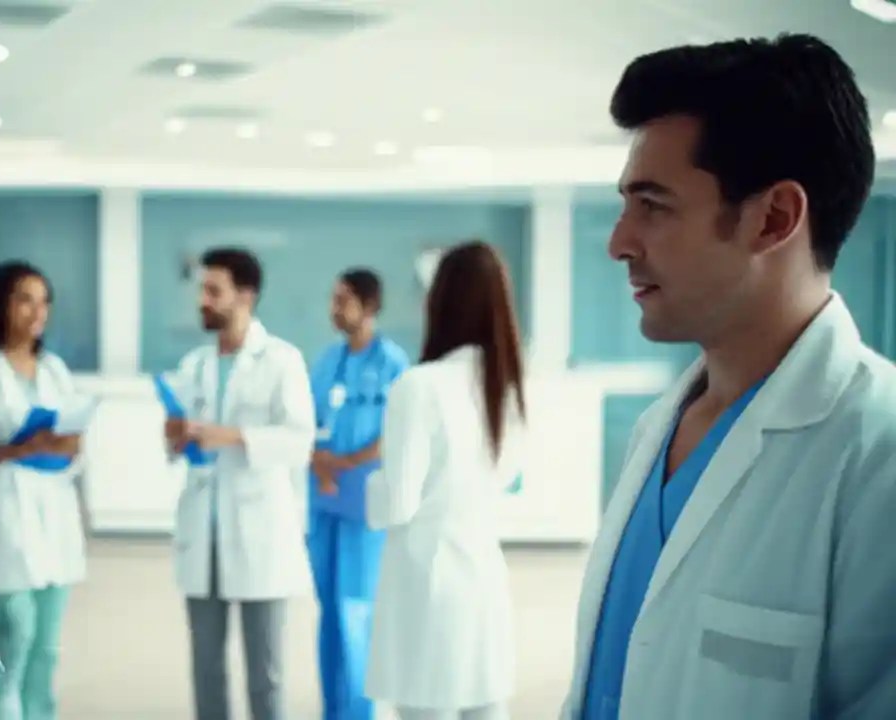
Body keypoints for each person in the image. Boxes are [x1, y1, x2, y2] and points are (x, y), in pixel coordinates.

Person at [562, 34, 896, 719]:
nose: (619, 241)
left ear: (773, 218)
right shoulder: (662, 428)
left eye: (653, 205)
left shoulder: (878, 460)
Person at [365, 241, 526, 720]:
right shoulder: (509, 387)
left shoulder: (420, 386)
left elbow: (398, 504)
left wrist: (376, 480)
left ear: (443, 302)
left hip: (427, 583)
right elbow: (505, 477)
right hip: (483, 579)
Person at [163, 247, 315, 720]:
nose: (202, 300)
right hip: (202, 535)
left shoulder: (282, 360)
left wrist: (232, 436)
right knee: (206, 671)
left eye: (214, 291)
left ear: (244, 296)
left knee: (265, 677)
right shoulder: (194, 365)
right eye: (202, 290)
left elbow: (298, 441)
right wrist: (173, 436)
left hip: (259, 536)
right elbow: (179, 445)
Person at [0, 261, 88, 720]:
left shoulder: (54, 370)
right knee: (17, 634)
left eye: (44, 300)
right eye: (25, 299)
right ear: (2, 305)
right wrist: (13, 451)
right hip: (7, 521)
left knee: (47, 648)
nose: (37, 311)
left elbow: (76, 453)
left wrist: (70, 447)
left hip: (56, 523)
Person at [306, 268, 410, 720]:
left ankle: (358, 714)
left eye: (343, 299)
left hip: (364, 508)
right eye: (333, 298)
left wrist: (343, 463)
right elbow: (304, 420)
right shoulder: (327, 361)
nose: (334, 308)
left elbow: (396, 432)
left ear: (369, 306)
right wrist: (317, 460)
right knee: (329, 616)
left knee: (356, 617)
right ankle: (333, 711)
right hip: (324, 502)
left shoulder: (393, 364)